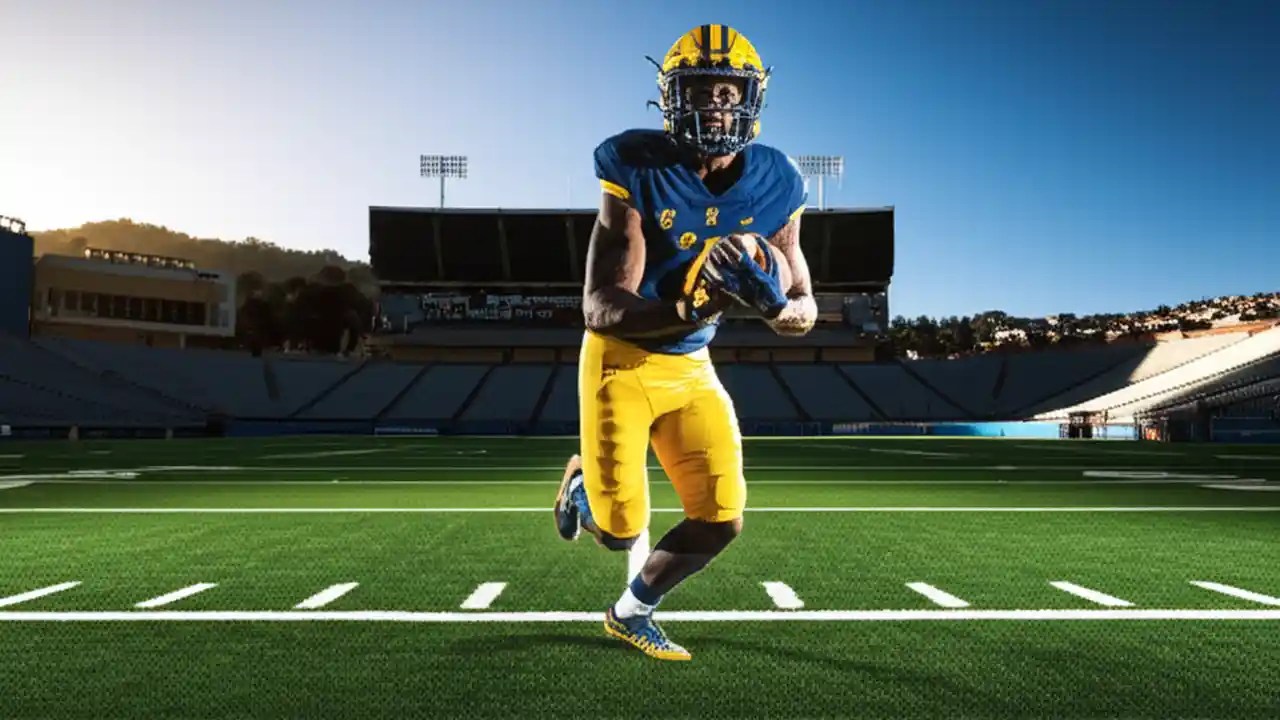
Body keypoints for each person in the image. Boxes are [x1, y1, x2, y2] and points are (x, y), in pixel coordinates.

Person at [553, 24, 817, 661]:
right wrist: (689, 306)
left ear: (750, 99)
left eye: (727, 92)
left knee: (722, 516)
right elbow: (600, 306)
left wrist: (776, 307)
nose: (715, 107)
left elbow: (806, 304)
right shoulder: (636, 166)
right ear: (672, 98)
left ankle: (630, 612)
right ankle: (582, 487)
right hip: (621, 361)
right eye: (700, 91)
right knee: (618, 533)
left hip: (692, 362)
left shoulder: (778, 180)